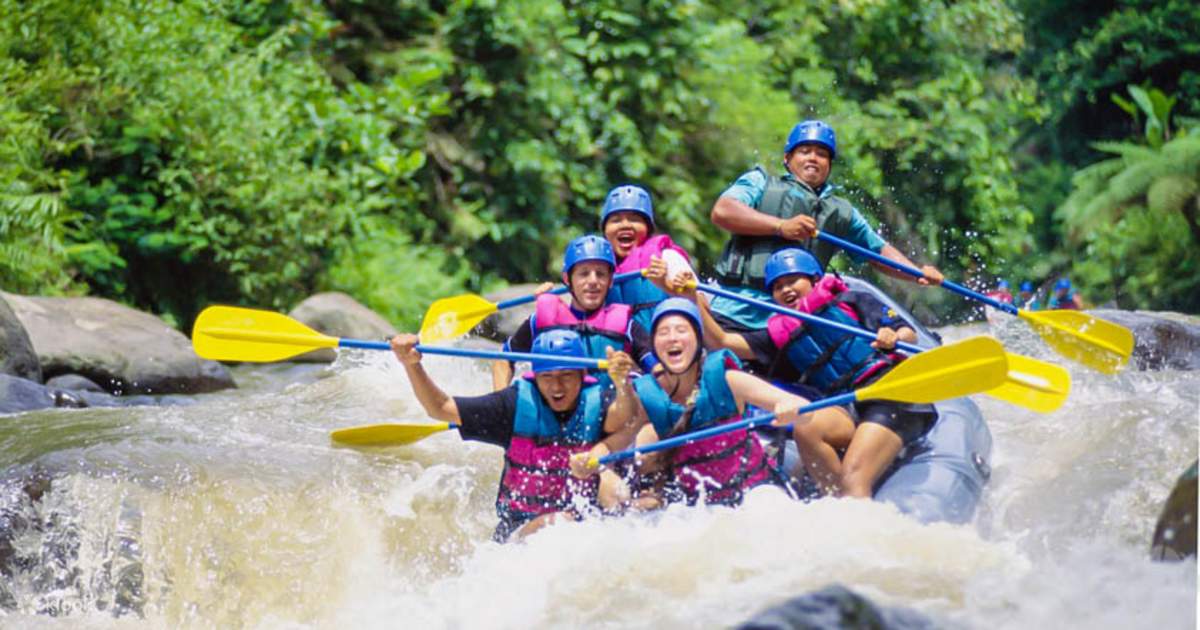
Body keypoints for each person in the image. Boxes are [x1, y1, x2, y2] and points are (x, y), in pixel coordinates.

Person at [659, 248, 937, 498]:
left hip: (890, 393)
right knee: (807, 423)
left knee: (854, 477)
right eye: (778, 287)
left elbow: (907, 333)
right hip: (848, 407)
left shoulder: (851, 299)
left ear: (815, 280)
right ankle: (838, 499)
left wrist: (892, 336)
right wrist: (691, 297)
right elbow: (721, 341)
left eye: (793, 280)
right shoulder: (780, 334)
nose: (786, 289)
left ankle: (854, 494)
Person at [391, 328, 640, 542]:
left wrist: (622, 384)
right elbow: (440, 408)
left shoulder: (595, 401)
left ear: (581, 377)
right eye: (547, 377)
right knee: (562, 521)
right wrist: (413, 366)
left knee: (618, 494)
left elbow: (626, 418)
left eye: (565, 375)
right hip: (518, 530)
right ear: (535, 377)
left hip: (581, 518)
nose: (556, 387)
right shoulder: (512, 405)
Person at [576, 298, 813, 508]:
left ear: (698, 341)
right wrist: (596, 465)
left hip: (754, 490)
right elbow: (611, 445)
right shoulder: (651, 396)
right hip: (698, 506)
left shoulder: (727, 380)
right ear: (655, 346)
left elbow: (801, 408)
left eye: (681, 330)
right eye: (663, 332)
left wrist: (791, 409)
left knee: (766, 506)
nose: (673, 338)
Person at [708, 119, 944, 330]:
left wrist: (916, 273)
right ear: (787, 159)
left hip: (800, 318)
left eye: (821, 154)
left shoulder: (842, 212)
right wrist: (781, 226)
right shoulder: (759, 182)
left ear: (829, 164)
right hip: (739, 307)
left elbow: (877, 250)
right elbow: (723, 211)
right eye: (804, 151)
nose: (813, 158)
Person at [492, 235, 656, 390]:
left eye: (600, 274)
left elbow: (659, 371)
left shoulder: (627, 326)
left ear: (611, 280)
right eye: (584, 273)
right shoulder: (541, 321)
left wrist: (633, 378)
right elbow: (503, 360)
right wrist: (500, 403)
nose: (593, 281)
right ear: (567, 279)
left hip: (608, 412)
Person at [598, 184, 697, 332]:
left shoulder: (667, 258)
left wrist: (669, 285)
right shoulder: (596, 270)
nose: (625, 225)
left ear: (648, 229)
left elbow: (702, 308)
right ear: (605, 231)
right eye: (616, 220)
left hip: (665, 347)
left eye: (634, 219)